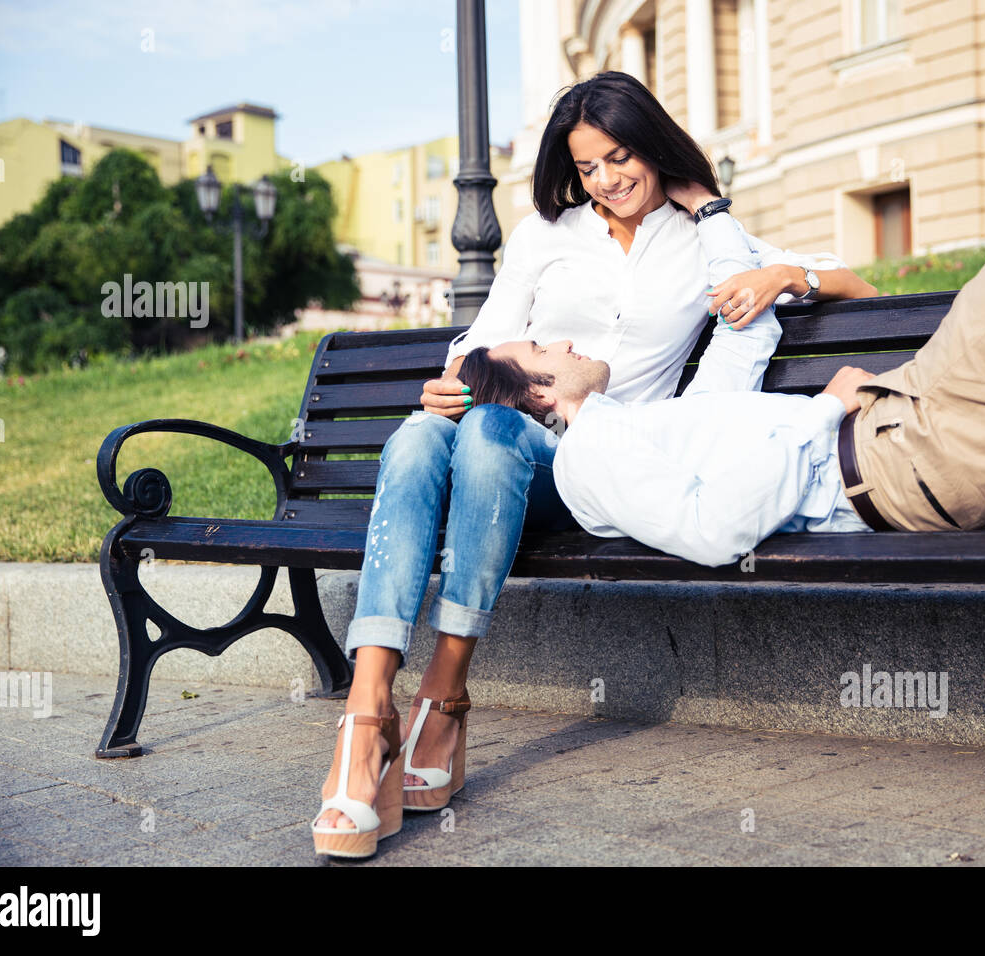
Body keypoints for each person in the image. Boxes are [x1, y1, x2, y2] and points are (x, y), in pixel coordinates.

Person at [310, 71, 878, 856]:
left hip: (592, 459)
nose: (607, 181)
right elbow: (482, 340)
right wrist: (456, 379)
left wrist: (784, 274)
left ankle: (442, 693)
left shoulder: (701, 240)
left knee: (490, 438)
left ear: (652, 144)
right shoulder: (547, 235)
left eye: (620, 158)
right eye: (587, 168)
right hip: (498, 417)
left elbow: (856, 283)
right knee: (415, 437)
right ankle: (370, 715)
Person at [459, 148, 985, 569]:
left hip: (964, 473)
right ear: (535, 390)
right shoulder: (588, 458)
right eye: (542, 346)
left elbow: (743, 326)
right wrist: (823, 411)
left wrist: (715, 215)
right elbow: (709, 532)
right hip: (909, 452)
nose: (561, 340)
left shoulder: (641, 426)